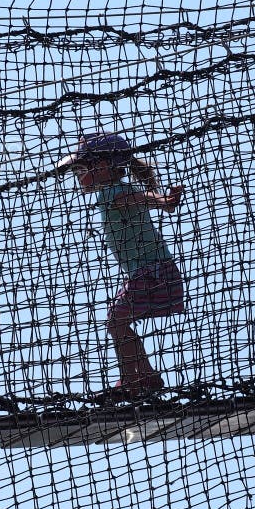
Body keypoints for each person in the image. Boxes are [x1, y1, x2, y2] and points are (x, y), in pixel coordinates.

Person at [58, 132, 185, 396]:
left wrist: (163, 202)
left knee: (116, 322)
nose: (78, 175)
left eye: (81, 168)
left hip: (152, 273)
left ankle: (133, 379)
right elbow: (139, 197)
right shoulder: (111, 192)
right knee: (118, 322)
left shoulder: (114, 193)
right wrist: (161, 200)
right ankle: (146, 376)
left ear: (103, 167)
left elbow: (136, 199)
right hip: (153, 272)